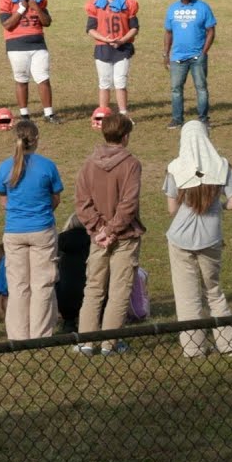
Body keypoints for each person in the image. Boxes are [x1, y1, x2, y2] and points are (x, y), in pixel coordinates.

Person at [164, 121, 232, 357]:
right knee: (214, 291)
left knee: (187, 295)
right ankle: (229, 345)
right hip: (211, 237)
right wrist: (217, 205)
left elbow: (171, 209)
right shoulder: (222, 166)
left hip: (180, 237)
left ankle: (193, 348)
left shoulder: (176, 168)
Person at [74, 113, 144, 356]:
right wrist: (110, 230)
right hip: (123, 236)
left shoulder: (88, 163)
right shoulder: (131, 164)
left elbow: (82, 203)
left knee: (93, 287)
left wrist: (98, 230)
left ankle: (85, 342)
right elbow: (129, 204)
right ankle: (109, 344)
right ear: (125, 137)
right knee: (118, 291)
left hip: (99, 237)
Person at [0, 120, 64, 340]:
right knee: (42, 284)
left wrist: (17, 210)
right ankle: (40, 334)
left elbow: (3, 198)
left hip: (14, 232)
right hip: (42, 230)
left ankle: (18, 336)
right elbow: (56, 198)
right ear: (36, 140)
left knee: (18, 286)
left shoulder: (5, 166)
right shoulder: (47, 166)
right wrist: (42, 211)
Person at [0, 0, 60, 123]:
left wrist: (36, 7)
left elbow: (47, 22)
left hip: (38, 44)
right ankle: (24, 115)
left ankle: (48, 113)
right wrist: (21, 9)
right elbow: (7, 24)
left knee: (44, 79)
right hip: (16, 45)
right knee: (21, 80)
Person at [164, 0, 218, 128]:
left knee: (201, 87)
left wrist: (204, 52)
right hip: (177, 57)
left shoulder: (202, 7)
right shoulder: (172, 9)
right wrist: (165, 54)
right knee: (176, 89)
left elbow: (211, 31)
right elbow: (168, 33)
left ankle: (203, 119)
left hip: (197, 57)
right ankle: (177, 119)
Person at [85, 0, 139, 116]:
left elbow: (134, 28)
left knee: (120, 82)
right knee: (104, 83)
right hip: (103, 47)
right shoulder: (96, 5)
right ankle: (104, 113)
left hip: (122, 48)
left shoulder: (127, 4)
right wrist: (105, 39)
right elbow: (90, 29)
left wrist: (122, 40)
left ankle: (123, 114)